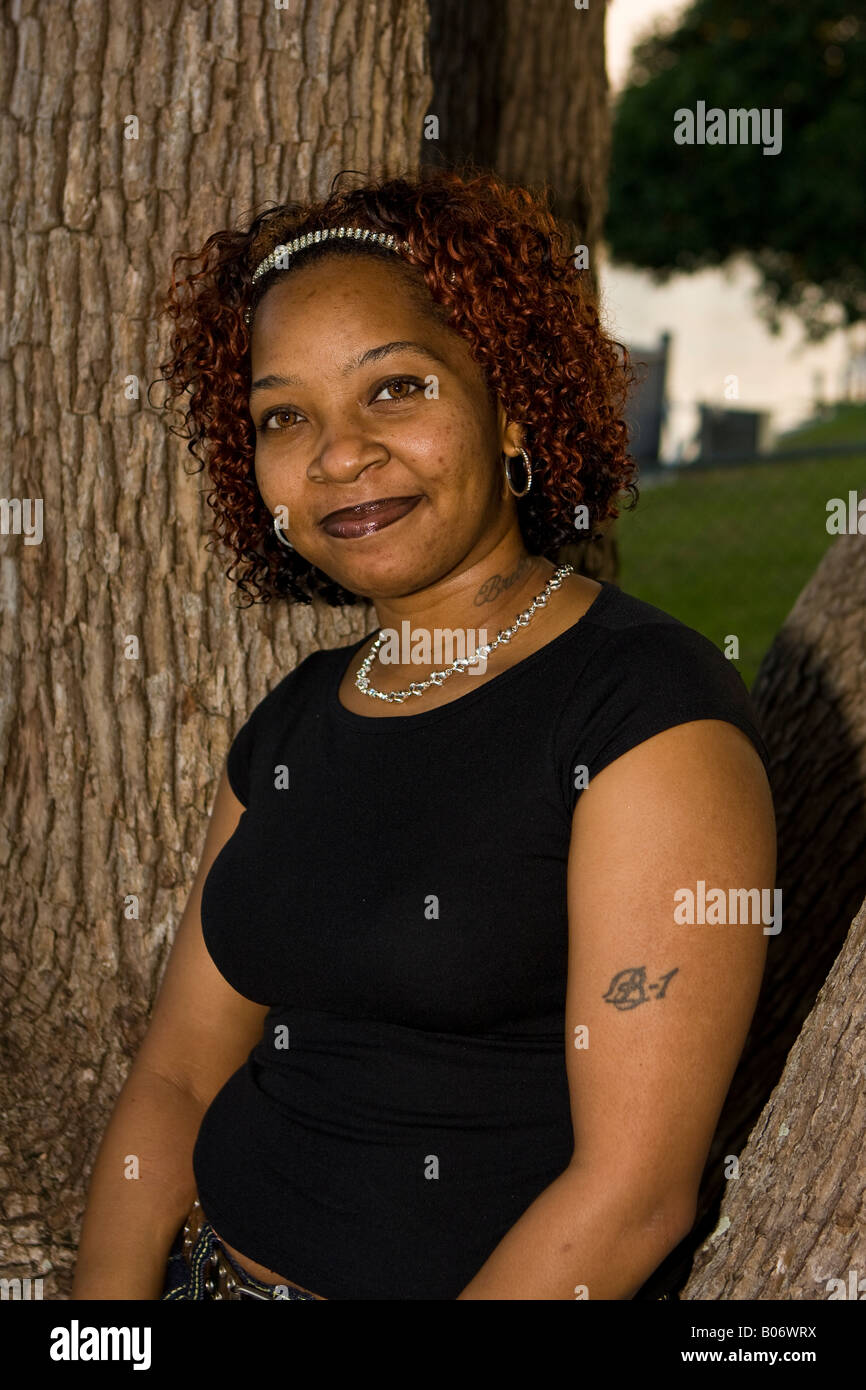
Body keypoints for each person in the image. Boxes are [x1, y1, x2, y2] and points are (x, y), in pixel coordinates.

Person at [71, 166, 776, 1301]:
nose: (338, 454)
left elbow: (629, 1197)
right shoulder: (301, 712)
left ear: (508, 409)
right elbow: (177, 1072)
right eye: (283, 416)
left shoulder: (641, 711)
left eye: (393, 390)